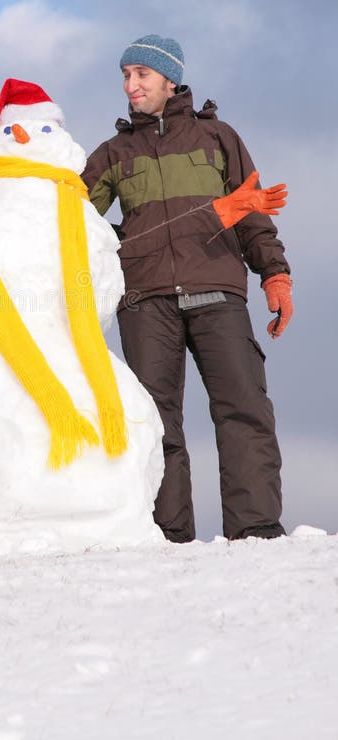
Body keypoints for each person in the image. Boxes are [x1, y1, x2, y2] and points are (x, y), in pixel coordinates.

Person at [82, 35, 293, 543]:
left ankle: (256, 527)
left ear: (169, 79)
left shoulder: (218, 139)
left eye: (141, 74)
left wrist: (275, 273)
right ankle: (167, 534)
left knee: (244, 406)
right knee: (154, 422)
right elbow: (73, 219)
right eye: (126, 76)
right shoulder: (113, 152)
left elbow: (252, 211)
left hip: (217, 291)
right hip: (145, 300)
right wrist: (124, 241)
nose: (131, 85)